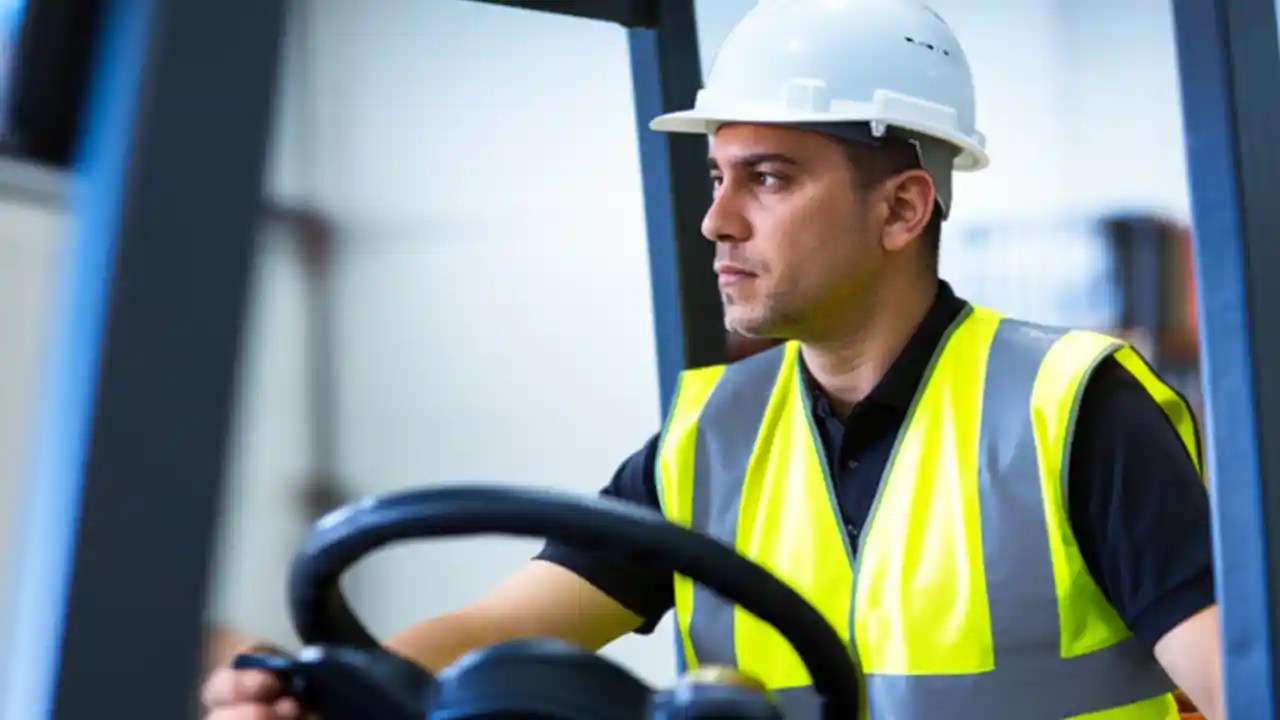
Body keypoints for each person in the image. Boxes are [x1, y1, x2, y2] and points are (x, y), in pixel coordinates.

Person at [201, 1, 1223, 718]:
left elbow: (1237, 686)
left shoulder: (1069, 412)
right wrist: (312, 689)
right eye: (717, 176)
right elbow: (501, 625)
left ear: (902, 208)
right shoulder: (710, 440)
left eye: (767, 179)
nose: (715, 221)